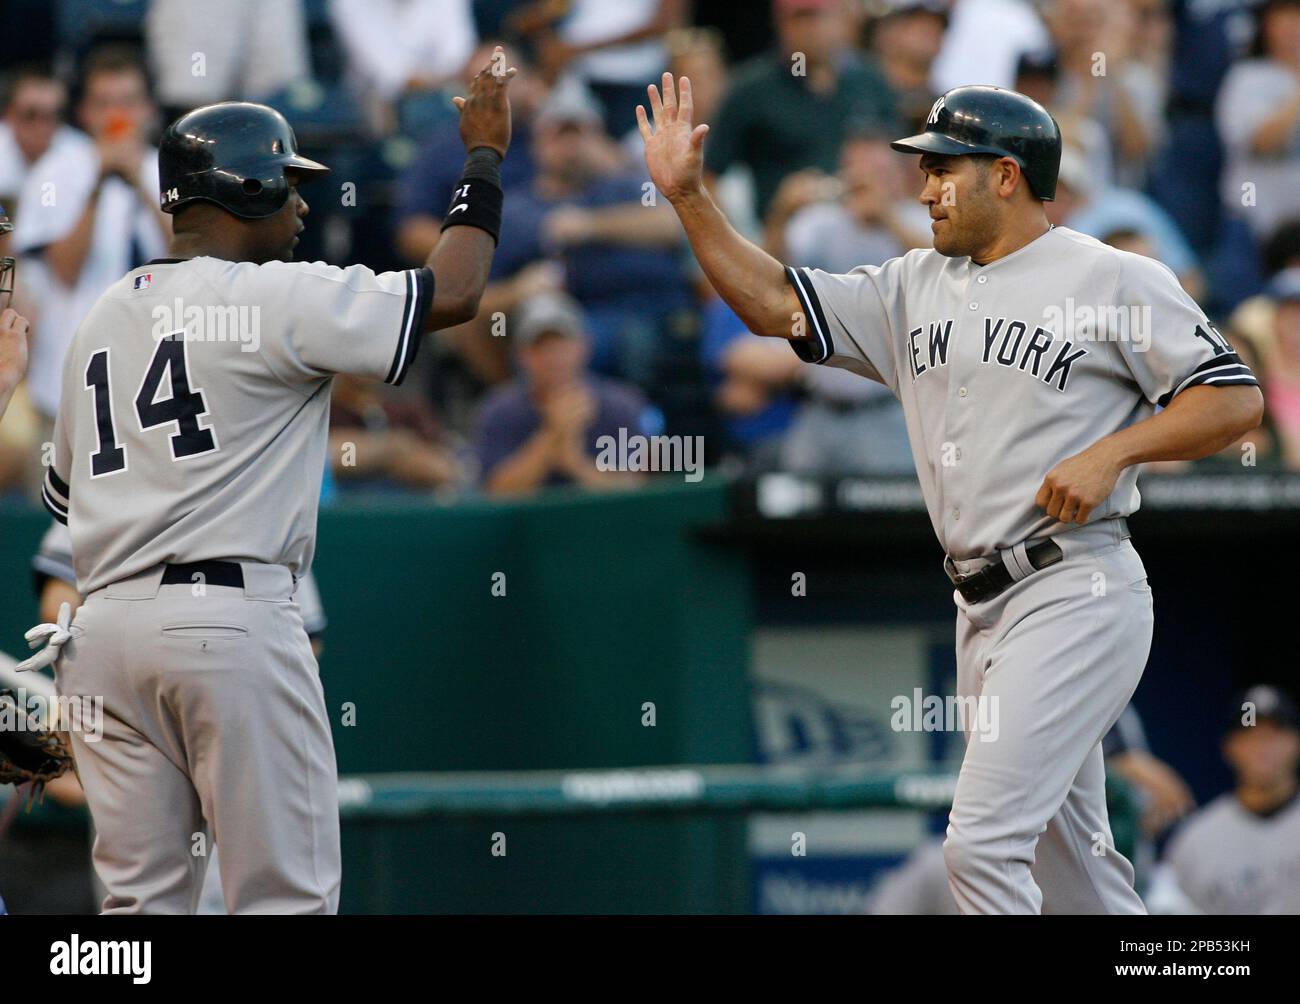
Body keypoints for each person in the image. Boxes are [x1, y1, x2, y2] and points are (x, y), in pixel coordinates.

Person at [639, 75, 1263, 914]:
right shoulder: (910, 284)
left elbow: (1233, 398)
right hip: (980, 608)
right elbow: (774, 304)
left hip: (1074, 585)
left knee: (980, 847)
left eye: (945, 168)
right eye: (923, 169)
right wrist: (688, 198)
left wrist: (1114, 452)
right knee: (1074, 878)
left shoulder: (1110, 278)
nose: (924, 186)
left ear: (1006, 175)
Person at [34, 50, 516, 914]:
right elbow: (454, 291)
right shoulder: (273, 297)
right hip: (227, 621)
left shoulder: (102, 313)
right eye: (285, 184)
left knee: (137, 919)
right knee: (281, 903)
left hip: (100, 633)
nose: (301, 204)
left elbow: (64, 500)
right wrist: (482, 160)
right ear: (243, 190)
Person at [9, 47, 169, 450]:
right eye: (105, 103)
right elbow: (65, 270)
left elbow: (191, 257)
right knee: (56, 510)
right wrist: (98, 185)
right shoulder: (58, 172)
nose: (118, 115)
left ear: (148, 108)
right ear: (85, 112)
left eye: (128, 102)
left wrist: (141, 187)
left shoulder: (167, 171)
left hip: (155, 383)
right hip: (68, 384)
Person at [703, 0, 897, 222]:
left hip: (870, 223)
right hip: (781, 234)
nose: (813, 29)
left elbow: (903, 160)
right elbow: (709, 178)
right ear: (780, 23)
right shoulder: (752, 89)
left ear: (842, 18)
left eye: (821, 16)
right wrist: (737, 241)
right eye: (802, 18)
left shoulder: (869, 79)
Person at [476, 291, 651, 495]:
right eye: (539, 346)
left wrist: (574, 463)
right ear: (521, 355)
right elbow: (494, 493)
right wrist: (551, 436)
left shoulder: (620, 403)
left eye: (560, 344)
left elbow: (637, 490)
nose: (552, 357)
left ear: (583, 346)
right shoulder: (499, 410)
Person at [1148, 685, 1300, 914]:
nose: (1262, 748)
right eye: (1251, 736)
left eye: (1274, 735)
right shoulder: (1194, 840)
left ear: (1295, 743)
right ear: (1229, 747)